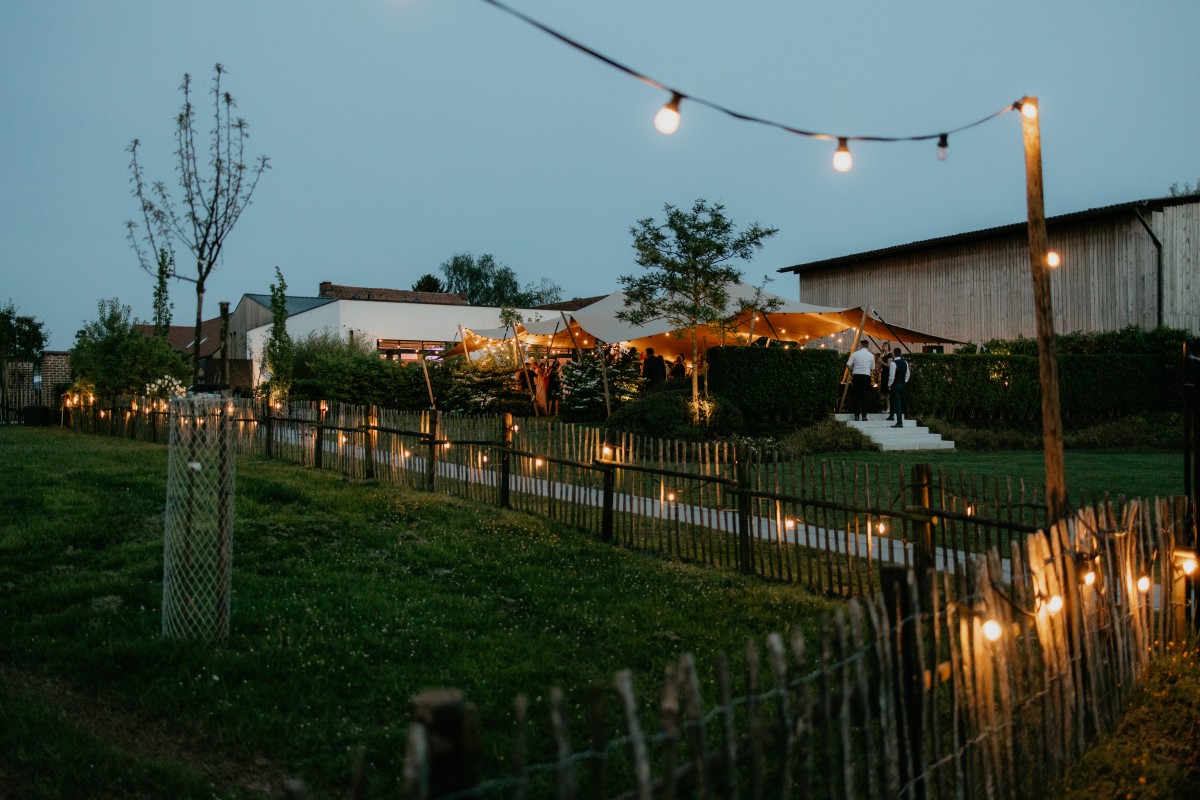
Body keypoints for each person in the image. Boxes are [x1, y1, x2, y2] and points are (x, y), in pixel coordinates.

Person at [846, 339, 875, 421]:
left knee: (857, 397)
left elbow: (847, 364)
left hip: (857, 376)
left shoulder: (855, 354)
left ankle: (856, 416)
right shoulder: (871, 355)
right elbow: (872, 368)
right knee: (865, 397)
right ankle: (864, 416)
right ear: (867, 346)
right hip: (866, 377)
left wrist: (852, 370)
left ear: (861, 345)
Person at [888, 347, 910, 427]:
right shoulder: (905, 362)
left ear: (894, 354)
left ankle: (899, 422)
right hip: (902, 384)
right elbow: (907, 374)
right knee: (894, 400)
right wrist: (905, 381)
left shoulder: (893, 363)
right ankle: (891, 415)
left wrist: (889, 385)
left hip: (895, 385)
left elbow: (891, 376)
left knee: (897, 403)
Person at [879, 352, 894, 419]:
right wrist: (880, 361)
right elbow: (879, 367)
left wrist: (882, 362)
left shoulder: (890, 355)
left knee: (887, 393)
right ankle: (886, 407)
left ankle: (889, 407)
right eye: (883, 346)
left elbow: (888, 365)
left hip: (888, 375)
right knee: (884, 392)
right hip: (883, 375)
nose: (884, 347)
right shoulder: (882, 356)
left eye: (886, 346)